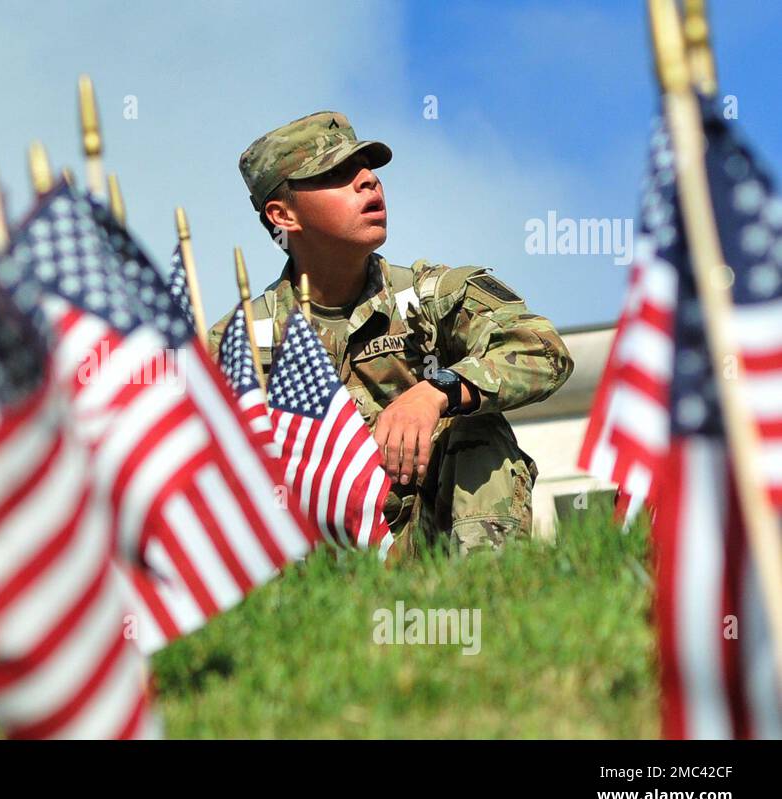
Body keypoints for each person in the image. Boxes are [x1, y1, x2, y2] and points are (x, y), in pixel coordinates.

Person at [207, 111, 574, 556]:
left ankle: (487, 595)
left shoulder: (429, 295)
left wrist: (436, 391)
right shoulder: (239, 344)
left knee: (478, 429)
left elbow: (542, 350)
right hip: (315, 563)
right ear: (282, 214)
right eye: (336, 174)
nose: (368, 181)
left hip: (426, 545)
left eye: (367, 168)